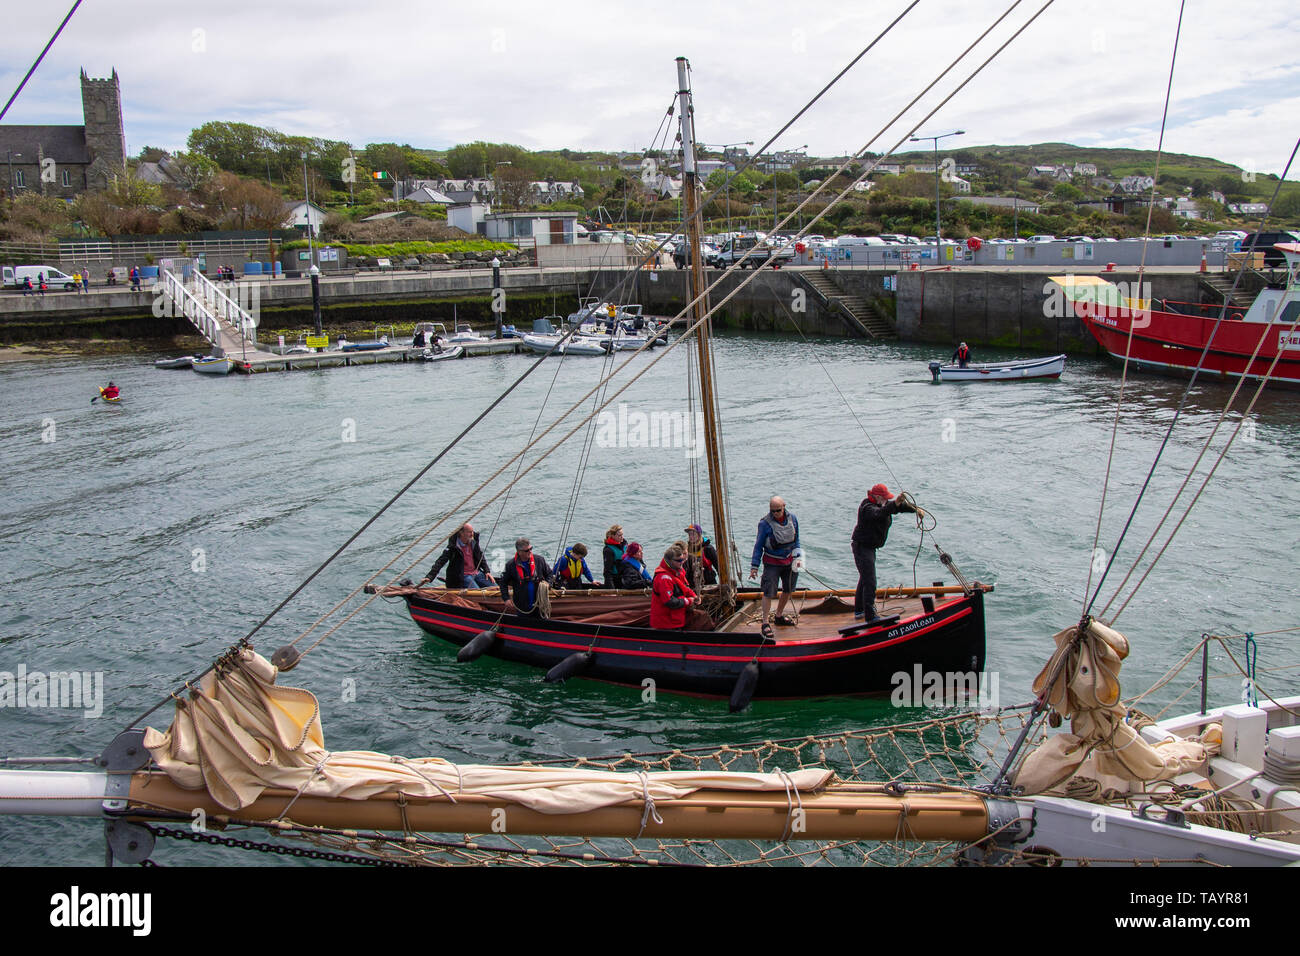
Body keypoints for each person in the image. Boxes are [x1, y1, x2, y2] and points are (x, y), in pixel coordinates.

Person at [851, 483, 916, 622]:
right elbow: (880, 513)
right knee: (870, 581)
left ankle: (859, 610)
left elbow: (895, 507)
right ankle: (870, 616)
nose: (887, 500)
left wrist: (915, 510)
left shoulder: (882, 504)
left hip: (870, 547)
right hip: (862, 547)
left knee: (864, 578)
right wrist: (895, 504)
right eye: (885, 498)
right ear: (877, 497)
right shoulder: (867, 507)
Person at [749, 496, 800, 639]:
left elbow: (797, 540)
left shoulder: (793, 519)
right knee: (768, 592)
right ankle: (765, 622)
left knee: (788, 589)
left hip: (789, 561)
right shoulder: (764, 524)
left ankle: (778, 615)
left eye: (778, 510)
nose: (776, 513)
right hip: (772, 563)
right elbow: (758, 545)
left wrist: (799, 557)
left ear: (784, 506)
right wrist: (754, 566)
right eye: (773, 511)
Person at [419, 523, 495, 589]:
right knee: (479, 594)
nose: (472, 534)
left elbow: (480, 556)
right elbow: (440, 562)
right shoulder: (453, 547)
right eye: (469, 532)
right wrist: (429, 577)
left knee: (495, 588)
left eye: (472, 531)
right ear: (461, 533)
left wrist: (487, 571)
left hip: (476, 573)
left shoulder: (473, 542)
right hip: (463, 576)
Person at [499, 537, 551, 616]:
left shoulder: (539, 560)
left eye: (531, 548)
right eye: (527, 550)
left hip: (539, 604)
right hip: (522, 606)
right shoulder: (511, 565)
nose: (530, 551)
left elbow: (550, 574)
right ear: (519, 552)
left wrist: (548, 584)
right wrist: (506, 599)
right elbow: (503, 582)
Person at [650, 546, 698, 631]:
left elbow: (684, 588)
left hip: (675, 619)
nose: (682, 562)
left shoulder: (677, 572)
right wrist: (688, 601)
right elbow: (669, 601)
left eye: (682, 559)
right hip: (666, 624)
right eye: (678, 560)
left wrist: (694, 596)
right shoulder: (663, 578)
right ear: (669, 561)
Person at [683, 523, 719, 591]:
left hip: (708, 583)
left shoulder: (708, 549)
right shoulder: (686, 550)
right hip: (692, 585)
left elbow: (718, 566)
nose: (690, 536)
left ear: (699, 534)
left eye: (693, 534)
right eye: (689, 534)